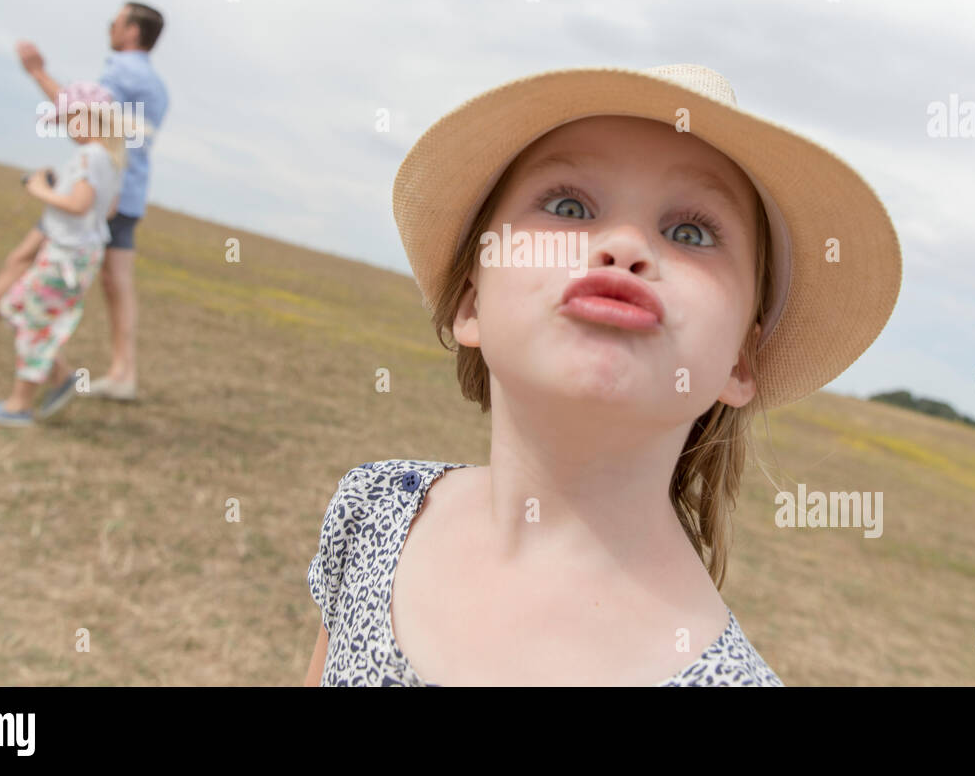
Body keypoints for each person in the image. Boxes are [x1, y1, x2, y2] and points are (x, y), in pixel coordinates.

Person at [302, 63, 902, 686]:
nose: (624, 245)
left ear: (741, 360)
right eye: (568, 205)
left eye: (691, 232)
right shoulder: (374, 508)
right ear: (472, 301)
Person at [0, 2, 169, 400]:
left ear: (131, 31)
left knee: (24, 262)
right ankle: (122, 372)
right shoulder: (157, 85)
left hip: (95, 191)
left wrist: (36, 71)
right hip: (128, 189)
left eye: (115, 21)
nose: (109, 26)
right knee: (116, 282)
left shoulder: (122, 71)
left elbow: (86, 111)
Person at [0, 84, 125, 426]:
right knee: (14, 306)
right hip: (81, 254)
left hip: (65, 256)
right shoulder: (111, 161)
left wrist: (41, 190)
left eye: (68, 119)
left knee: (36, 323)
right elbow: (107, 211)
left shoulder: (89, 156)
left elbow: (80, 206)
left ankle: (19, 406)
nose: (66, 127)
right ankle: (62, 376)